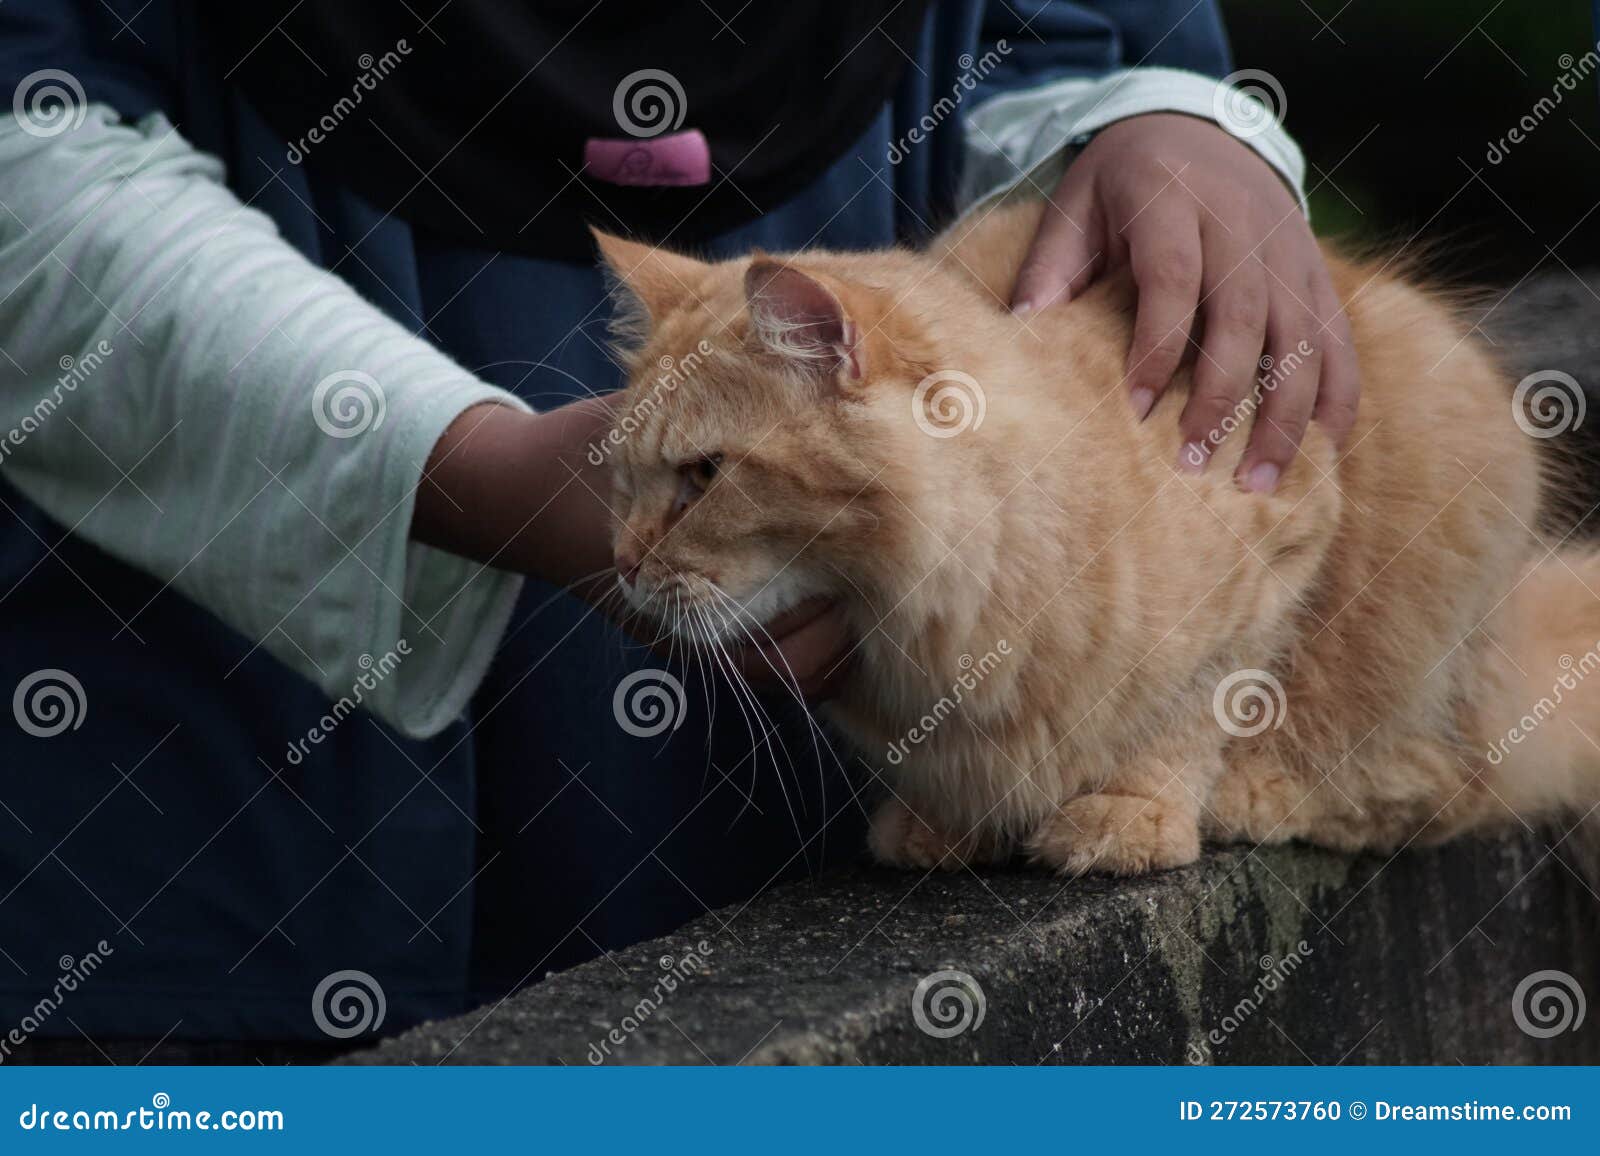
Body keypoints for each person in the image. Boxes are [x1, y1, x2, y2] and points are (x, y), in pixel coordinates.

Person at [0, 1, 1354, 1045]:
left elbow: (1065, 37)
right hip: (206, 824)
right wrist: (459, 464)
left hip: (821, 829)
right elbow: (31, 145)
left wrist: (1166, 116)